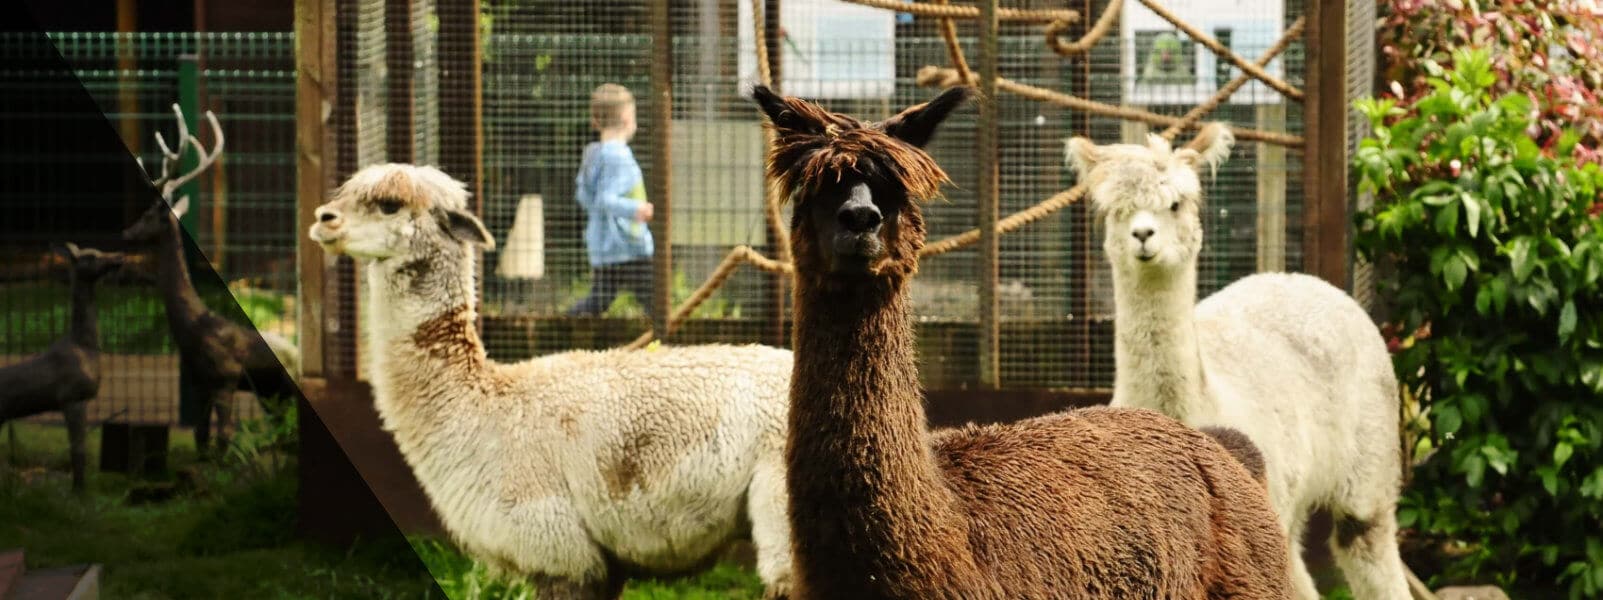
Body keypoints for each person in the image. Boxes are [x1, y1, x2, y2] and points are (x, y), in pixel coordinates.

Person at [567, 83, 655, 316]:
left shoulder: (593, 155)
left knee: (599, 300)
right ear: (627, 118)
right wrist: (636, 209)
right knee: (656, 302)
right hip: (628, 245)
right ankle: (671, 342)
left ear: (595, 121)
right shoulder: (619, 156)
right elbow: (608, 198)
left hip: (602, 247)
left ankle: (565, 325)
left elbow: (584, 197)